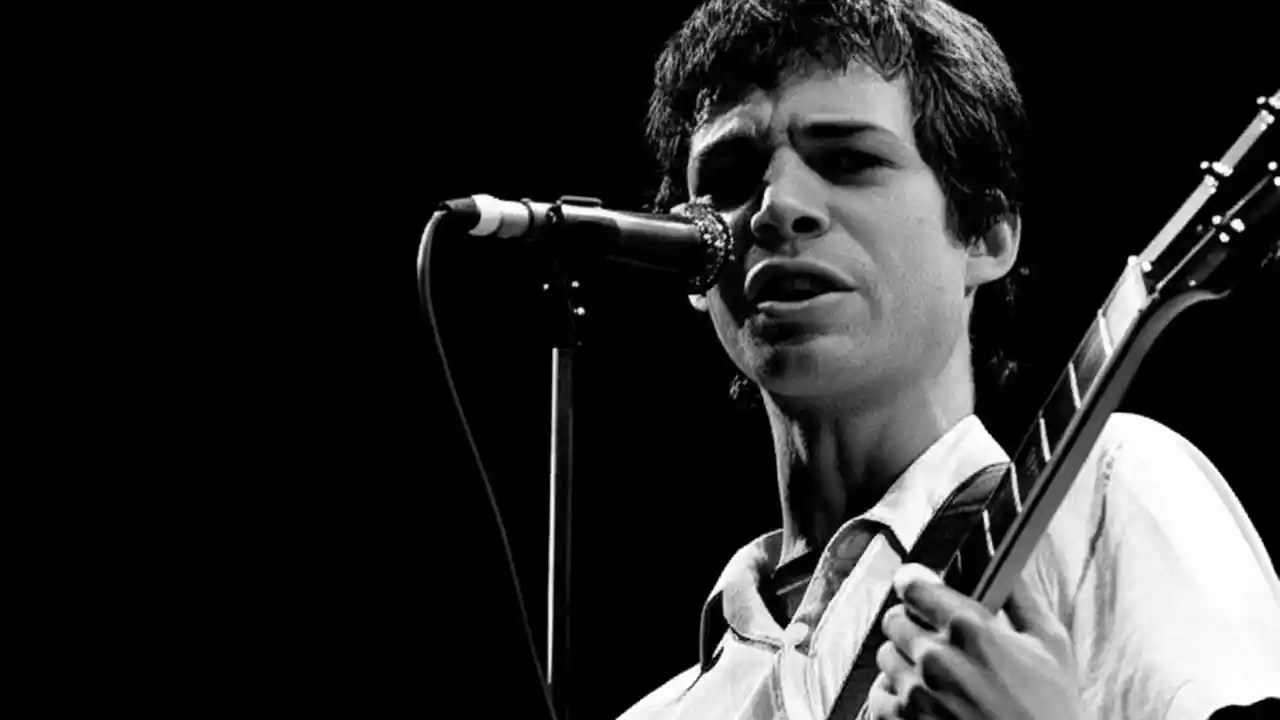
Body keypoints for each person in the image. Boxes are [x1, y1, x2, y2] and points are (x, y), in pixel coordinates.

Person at [614, 1, 1280, 719]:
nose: (778, 207)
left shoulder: (1102, 490)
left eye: (849, 160)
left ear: (986, 235)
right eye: (732, 175)